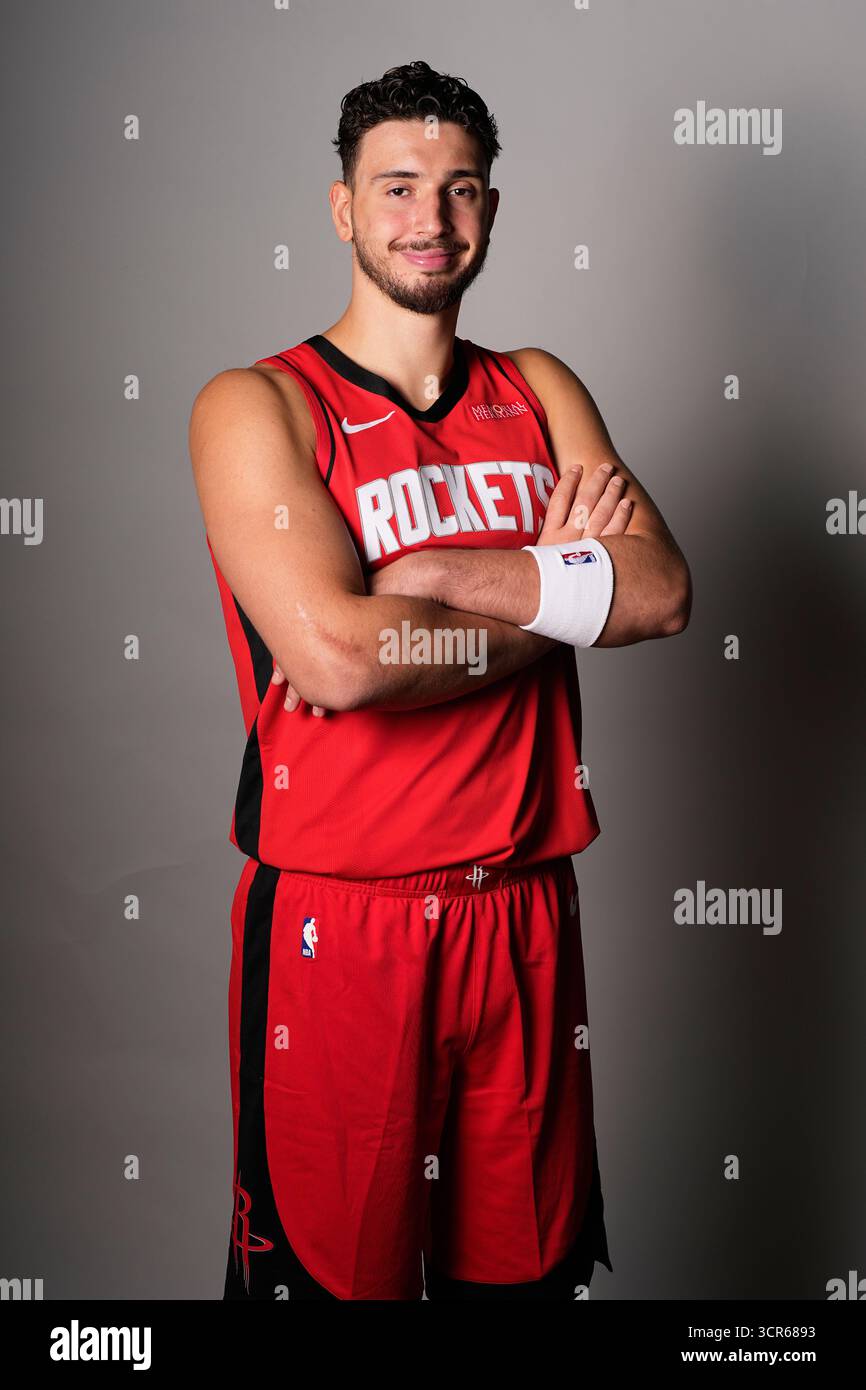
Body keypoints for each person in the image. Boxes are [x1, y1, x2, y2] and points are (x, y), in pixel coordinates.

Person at [189, 59, 691, 1301]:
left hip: (520, 911)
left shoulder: (536, 386)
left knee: (525, 1289)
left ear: (491, 211)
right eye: (399, 186)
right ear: (344, 210)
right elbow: (340, 659)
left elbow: (665, 593)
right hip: (339, 930)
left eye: (460, 189)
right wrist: (560, 589)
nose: (431, 218)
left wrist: (453, 577)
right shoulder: (259, 405)